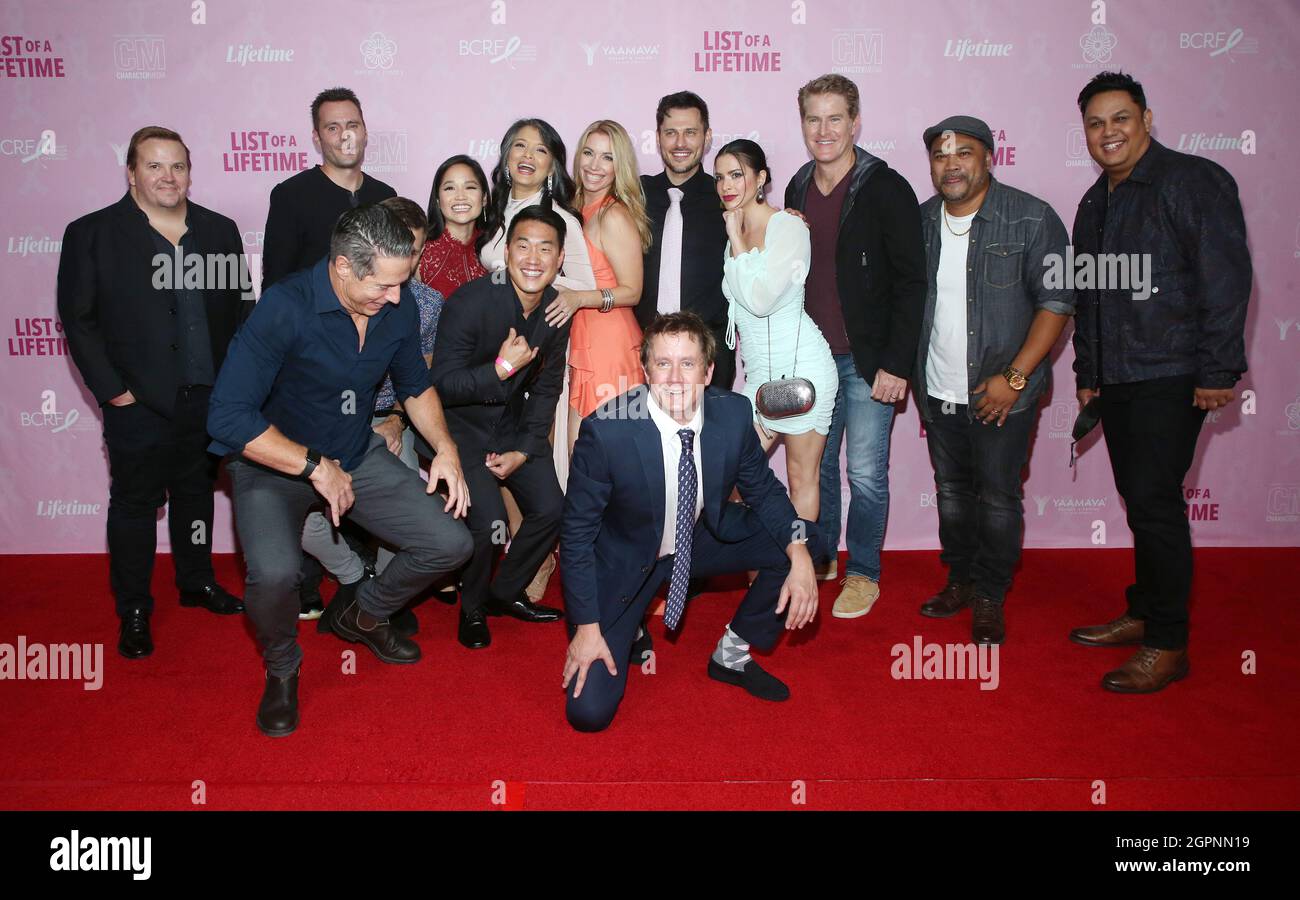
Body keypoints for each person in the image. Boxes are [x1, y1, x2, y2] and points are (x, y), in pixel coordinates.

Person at [207, 204, 473, 737]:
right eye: (384, 285)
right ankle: (282, 667)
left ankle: (364, 614)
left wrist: (445, 448)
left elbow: (415, 385)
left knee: (451, 543)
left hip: (355, 454)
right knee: (275, 576)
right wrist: (310, 466)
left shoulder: (394, 307)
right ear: (344, 267)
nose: (396, 298)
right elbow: (228, 415)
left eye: (402, 284)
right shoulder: (285, 306)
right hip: (273, 464)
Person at [1067, 72, 1250, 693]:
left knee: (1156, 504)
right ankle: (1144, 611)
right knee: (1140, 498)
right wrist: (1089, 376)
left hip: (1172, 374)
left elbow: (1225, 279)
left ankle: (1168, 644)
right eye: (1096, 123)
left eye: (1120, 118)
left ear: (1145, 117)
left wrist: (1218, 371)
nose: (1108, 132)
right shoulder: (1095, 204)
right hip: (1117, 379)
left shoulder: (1193, 181)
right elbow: (1088, 297)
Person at [561, 312, 821, 732]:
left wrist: (799, 554)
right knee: (588, 715)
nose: (676, 378)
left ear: (709, 370)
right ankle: (628, 629)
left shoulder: (733, 415)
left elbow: (766, 492)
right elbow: (575, 538)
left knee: (806, 539)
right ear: (645, 370)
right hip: (626, 558)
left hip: (698, 538)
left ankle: (731, 655)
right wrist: (587, 629)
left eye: (688, 364)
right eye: (663, 363)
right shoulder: (605, 432)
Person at [57, 125, 247, 660]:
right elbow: (80, 321)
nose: (168, 177)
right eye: (155, 166)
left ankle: (196, 582)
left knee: (195, 496)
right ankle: (135, 607)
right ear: (132, 173)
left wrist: (234, 388)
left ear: (191, 171)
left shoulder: (220, 231)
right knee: (136, 504)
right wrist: (114, 393)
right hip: (135, 403)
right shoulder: (92, 234)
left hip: (206, 397)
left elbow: (238, 312)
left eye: (178, 166)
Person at [914, 116, 1075, 645]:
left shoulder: (1031, 218)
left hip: (1002, 392)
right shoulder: (920, 221)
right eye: (941, 155)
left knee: (999, 496)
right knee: (952, 493)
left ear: (989, 158)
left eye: (964, 153)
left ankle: (989, 593)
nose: (951, 164)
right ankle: (959, 579)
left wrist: (1015, 376)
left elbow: (1057, 302)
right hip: (938, 388)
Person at [784, 73, 926, 618]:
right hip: (810, 360)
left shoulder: (885, 187)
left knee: (865, 473)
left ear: (856, 121)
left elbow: (913, 282)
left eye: (835, 118)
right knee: (816, 470)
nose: (824, 130)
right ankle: (820, 562)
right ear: (802, 124)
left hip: (869, 364)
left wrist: (896, 363)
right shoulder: (796, 186)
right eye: (813, 119)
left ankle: (864, 572)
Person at [262, 86, 396, 620]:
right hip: (306, 360)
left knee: (355, 462)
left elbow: (394, 285)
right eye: (334, 127)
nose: (346, 135)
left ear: (366, 129)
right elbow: (277, 282)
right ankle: (303, 580)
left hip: (366, 359)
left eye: (354, 125)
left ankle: (357, 573)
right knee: (303, 471)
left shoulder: (385, 194)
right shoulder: (291, 195)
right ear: (317, 137)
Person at [300, 197, 445, 638]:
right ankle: (353, 576)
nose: (408, 258)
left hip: (391, 421)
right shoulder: (321, 296)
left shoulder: (426, 303)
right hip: (323, 426)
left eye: (416, 249)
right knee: (295, 513)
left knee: (411, 514)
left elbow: (418, 378)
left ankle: (382, 597)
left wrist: (398, 423)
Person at [430, 207, 572, 648]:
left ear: (560, 257)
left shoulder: (556, 308)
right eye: (523, 245)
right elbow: (442, 386)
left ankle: (503, 593)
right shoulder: (470, 302)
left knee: (552, 509)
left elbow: (547, 389)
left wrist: (526, 450)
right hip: (461, 432)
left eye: (545, 248)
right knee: (490, 522)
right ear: (506, 251)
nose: (533, 258)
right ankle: (472, 607)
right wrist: (500, 369)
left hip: (512, 430)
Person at [717, 139, 838, 528]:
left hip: (801, 372)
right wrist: (735, 235)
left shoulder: (787, 226)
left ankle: (798, 577)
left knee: (802, 478)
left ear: (761, 178)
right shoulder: (734, 226)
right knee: (731, 478)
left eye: (736, 174)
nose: (726, 185)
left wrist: (737, 240)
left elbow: (761, 300)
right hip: (760, 378)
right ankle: (764, 572)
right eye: (719, 177)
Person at [555, 119, 650, 456]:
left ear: (619, 166)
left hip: (611, 349)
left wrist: (581, 298)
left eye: (607, 158)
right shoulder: (574, 209)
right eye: (589, 153)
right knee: (582, 460)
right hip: (583, 343)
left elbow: (632, 291)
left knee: (606, 462)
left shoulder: (613, 215)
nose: (594, 166)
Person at [639, 91, 735, 389]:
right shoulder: (635, 195)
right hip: (646, 354)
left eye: (690, 133)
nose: (680, 143)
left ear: (707, 137)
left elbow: (763, 226)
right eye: (671, 133)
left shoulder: (728, 197)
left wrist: (790, 219)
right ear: (658, 138)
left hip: (711, 355)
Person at [478, 118, 593, 292]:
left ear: (551, 168)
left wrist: (535, 276)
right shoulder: (493, 209)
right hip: (491, 313)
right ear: (507, 156)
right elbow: (494, 275)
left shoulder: (560, 218)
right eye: (520, 145)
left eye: (540, 150)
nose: (528, 155)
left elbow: (586, 287)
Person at [420, 155, 490, 299]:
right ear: (438, 200)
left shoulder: (495, 248)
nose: (460, 196)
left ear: (484, 198)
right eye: (450, 188)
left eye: (470, 187)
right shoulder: (420, 250)